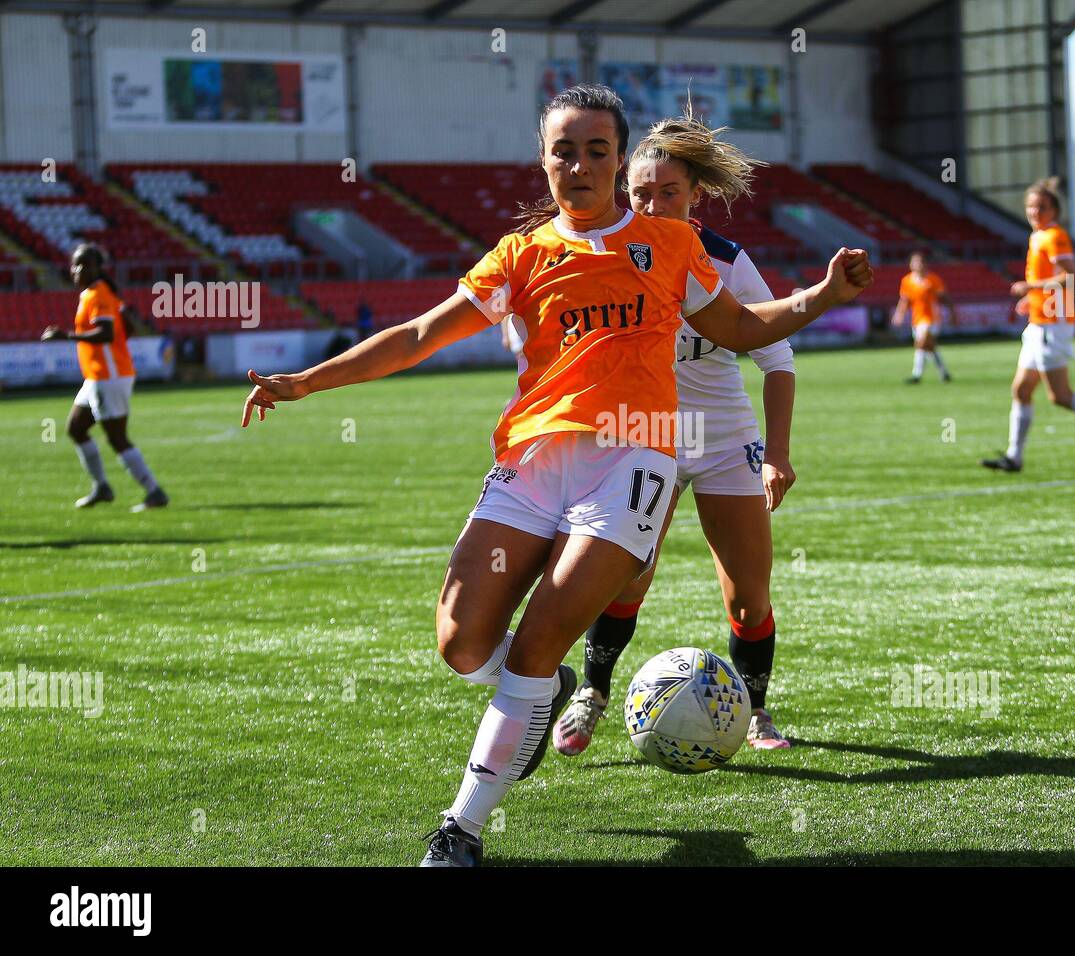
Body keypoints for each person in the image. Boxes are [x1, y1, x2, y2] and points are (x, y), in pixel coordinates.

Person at [240, 85, 872, 867]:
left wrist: (821, 296)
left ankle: (460, 827)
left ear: (617, 160)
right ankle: (535, 697)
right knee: (462, 643)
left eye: (595, 151)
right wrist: (307, 380)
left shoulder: (671, 247)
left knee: (538, 642)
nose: (578, 165)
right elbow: (415, 335)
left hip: (633, 459)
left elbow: (742, 329)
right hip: (532, 461)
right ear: (543, 160)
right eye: (563, 150)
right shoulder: (522, 254)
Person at [553, 109, 802, 757]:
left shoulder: (724, 260)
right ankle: (594, 692)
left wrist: (777, 454)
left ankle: (757, 711)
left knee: (748, 596)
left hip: (723, 438)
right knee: (628, 575)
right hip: (644, 436)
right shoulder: (603, 256)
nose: (655, 203)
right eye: (642, 192)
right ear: (620, 190)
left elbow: (776, 358)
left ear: (696, 196)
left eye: (670, 191)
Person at [981, 178, 1075, 473]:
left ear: (1054, 210)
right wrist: (1032, 298)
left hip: (1055, 325)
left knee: (1060, 396)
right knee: (1022, 390)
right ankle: (1014, 457)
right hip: (1039, 323)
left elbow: (1071, 278)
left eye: (1041, 206)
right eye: (1030, 205)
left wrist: (1030, 286)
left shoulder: (1054, 236)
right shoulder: (1037, 236)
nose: (1034, 211)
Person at [40, 243, 169, 511]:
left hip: (109, 376)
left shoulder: (98, 294)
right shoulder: (100, 293)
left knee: (117, 438)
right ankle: (102, 487)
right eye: (75, 264)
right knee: (76, 428)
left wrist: (67, 336)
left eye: (84, 264)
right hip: (98, 376)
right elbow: (127, 327)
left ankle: (154, 492)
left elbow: (107, 333)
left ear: (98, 268)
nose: (77, 270)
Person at [890, 250, 952, 384]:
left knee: (921, 343)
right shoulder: (907, 281)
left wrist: (952, 312)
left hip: (932, 319)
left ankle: (916, 375)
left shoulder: (933, 279)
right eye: (915, 262)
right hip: (916, 319)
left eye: (921, 262)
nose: (918, 264)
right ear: (911, 264)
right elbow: (905, 300)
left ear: (926, 264)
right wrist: (899, 315)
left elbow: (944, 297)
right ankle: (944, 373)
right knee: (929, 347)